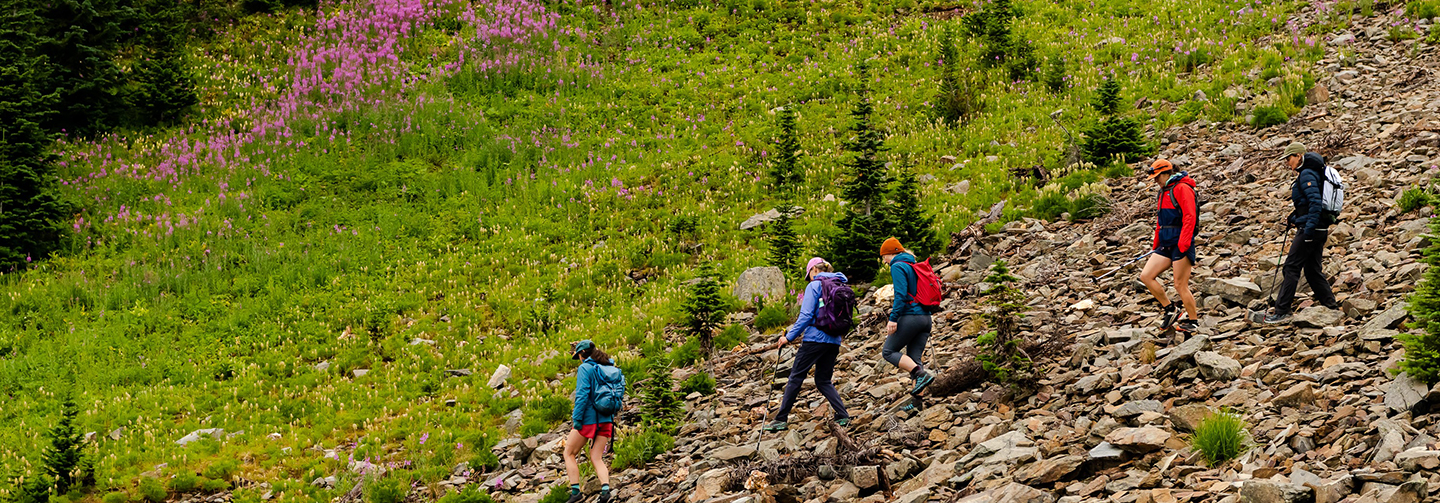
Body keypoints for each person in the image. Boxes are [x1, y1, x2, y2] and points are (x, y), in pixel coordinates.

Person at [763, 258, 851, 432]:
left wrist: (788, 337)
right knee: (823, 380)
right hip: (834, 340)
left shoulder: (815, 285)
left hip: (814, 340)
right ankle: (843, 415)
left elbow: (806, 316)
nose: (809, 279)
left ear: (813, 271)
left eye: (809, 275)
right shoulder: (841, 284)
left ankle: (781, 419)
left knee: (795, 377)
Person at [1265, 142, 1340, 324]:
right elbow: (1308, 205)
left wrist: (1307, 230)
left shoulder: (1306, 174)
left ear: (1299, 156)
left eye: (1289, 158)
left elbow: (1315, 203)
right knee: (1312, 270)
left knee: (1291, 267)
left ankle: (1282, 310)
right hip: (1318, 228)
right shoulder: (1312, 173)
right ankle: (1331, 307)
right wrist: (1294, 218)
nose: (1287, 162)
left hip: (1311, 229)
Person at [1138, 159, 1200, 332]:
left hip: (1181, 244)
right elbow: (1160, 220)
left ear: (1167, 173)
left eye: (1158, 177)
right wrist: (1156, 243)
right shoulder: (1163, 191)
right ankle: (1170, 309)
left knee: (1180, 285)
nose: (1156, 181)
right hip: (1166, 243)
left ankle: (1193, 322)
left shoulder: (1182, 188)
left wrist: (1184, 243)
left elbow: (1190, 217)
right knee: (1146, 276)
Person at [564, 340, 619, 503]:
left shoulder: (585, 368)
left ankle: (576, 492)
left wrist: (577, 420)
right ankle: (605, 491)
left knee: (569, 453)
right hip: (607, 419)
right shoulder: (609, 367)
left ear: (582, 354)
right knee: (596, 457)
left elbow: (581, 396)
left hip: (588, 419)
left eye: (578, 356)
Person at [879, 238, 934, 397]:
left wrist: (893, 318)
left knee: (888, 351)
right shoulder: (914, 264)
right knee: (913, 358)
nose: (884, 260)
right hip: (925, 317)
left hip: (910, 316)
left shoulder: (897, 266)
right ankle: (917, 400)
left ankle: (921, 374)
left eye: (884, 256)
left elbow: (901, 295)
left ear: (892, 253)